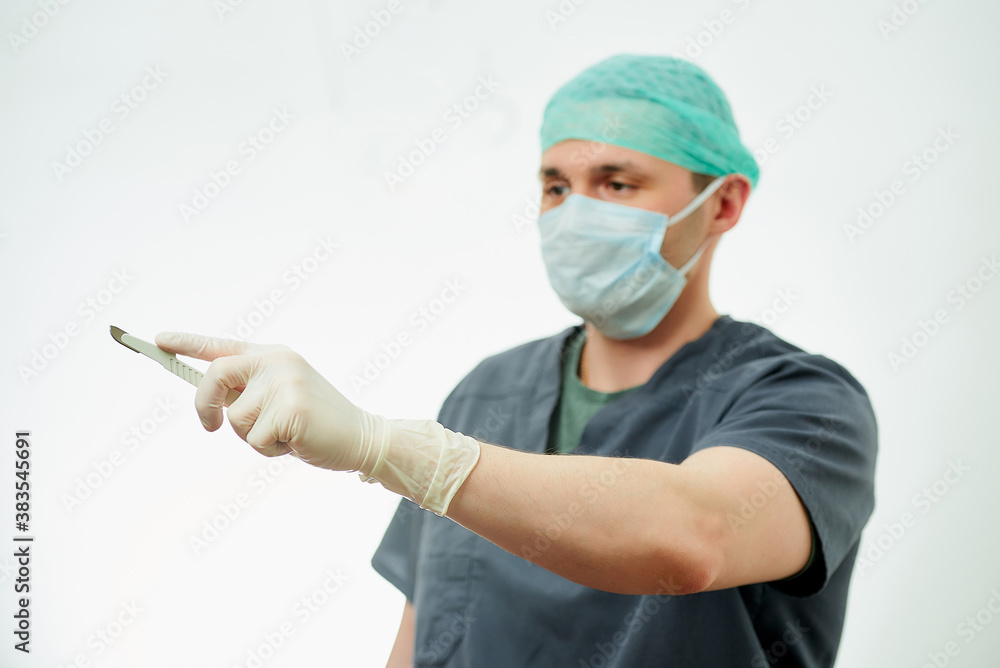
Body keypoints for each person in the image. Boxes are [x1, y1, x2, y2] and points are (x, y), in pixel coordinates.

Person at [156, 53, 878, 667]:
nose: (575, 213)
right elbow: (421, 636)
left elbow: (693, 539)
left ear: (722, 204)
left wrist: (383, 445)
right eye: (556, 187)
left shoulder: (804, 401)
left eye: (617, 184)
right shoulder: (490, 392)